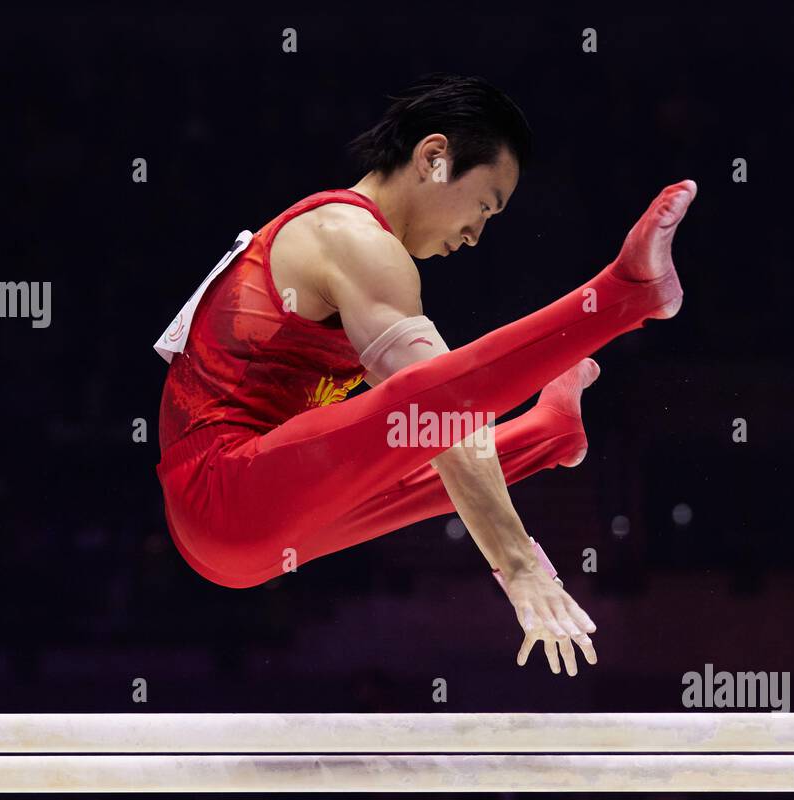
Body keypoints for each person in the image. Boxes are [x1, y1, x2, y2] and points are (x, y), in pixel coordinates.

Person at [155, 74, 696, 676]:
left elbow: (430, 433)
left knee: (421, 428)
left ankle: (546, 432)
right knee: (433, 403)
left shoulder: (352, 257)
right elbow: (441, 410)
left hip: (251, 534)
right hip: (222, 493)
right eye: (484, 207)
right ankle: (625, 294)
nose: (474, 236)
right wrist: (519, 564)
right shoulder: (351, 240)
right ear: (434, 159)